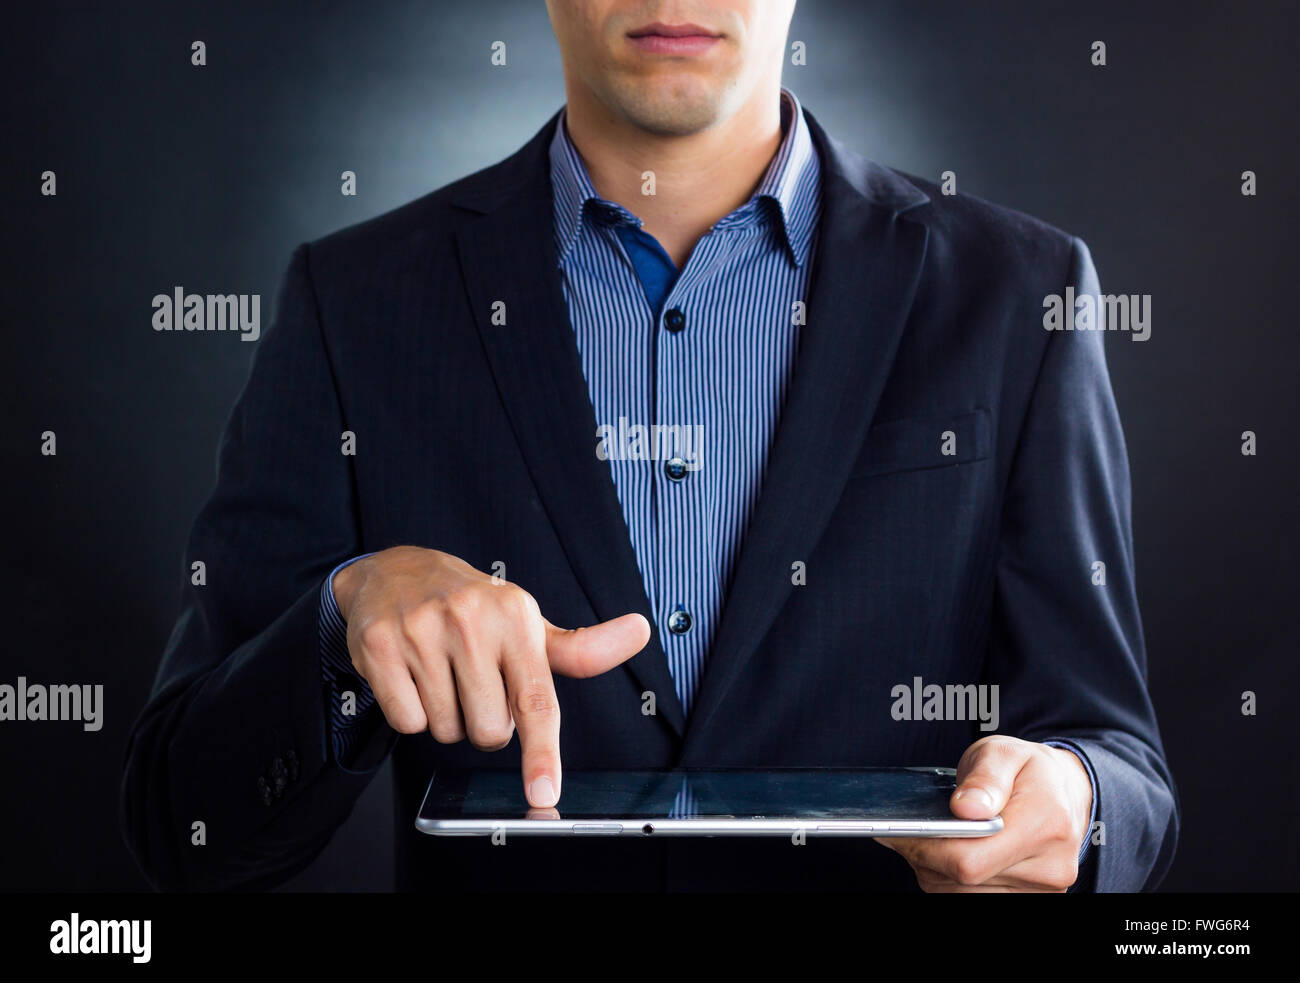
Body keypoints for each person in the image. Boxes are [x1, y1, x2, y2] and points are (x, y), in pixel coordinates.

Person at [121, 0, 1178, 892]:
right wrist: (341, 622)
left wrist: (1075, 806)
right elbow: (180, 819)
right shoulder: (352, 303)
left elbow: (1120, 761)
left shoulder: (1019, 294)